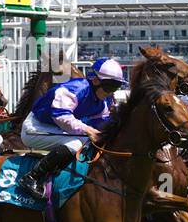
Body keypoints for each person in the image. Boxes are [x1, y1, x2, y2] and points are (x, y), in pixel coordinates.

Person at [17, 57, 127, 199]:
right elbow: (61, 116)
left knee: (92, 142)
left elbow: (102, 125)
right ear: (95, 81)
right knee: (76, 144)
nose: (111, 92)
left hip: (57, 129)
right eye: (110, 87)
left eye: (116, 87)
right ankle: (32, 177)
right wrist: (87, 130)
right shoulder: (76, 88)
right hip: (34, 129)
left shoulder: (103, 101)